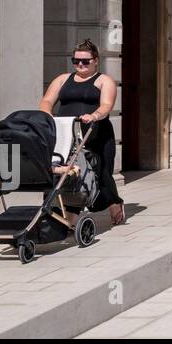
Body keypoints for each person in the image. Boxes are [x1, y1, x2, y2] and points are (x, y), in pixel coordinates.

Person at [39, 39, 125, 226]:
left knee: (102, 173)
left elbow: (106, 105)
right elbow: (46, 101)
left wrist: (94, 115)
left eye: (85, 61)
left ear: (95, 60)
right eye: (76, 61)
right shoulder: (63, 79)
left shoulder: (104, 81)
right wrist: (47, 115)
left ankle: (114, 202)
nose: (80, 65)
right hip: (67, 133)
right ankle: (69, 211)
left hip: (96, 132)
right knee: (72, 171)